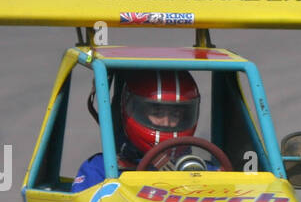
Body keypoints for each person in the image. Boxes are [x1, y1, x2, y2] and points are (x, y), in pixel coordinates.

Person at [71, 69, 216, 192]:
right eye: (157, 113)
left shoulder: (205, 172)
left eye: (175, 114)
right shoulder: (99, 171)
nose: (166, 123)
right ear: (134, 110)